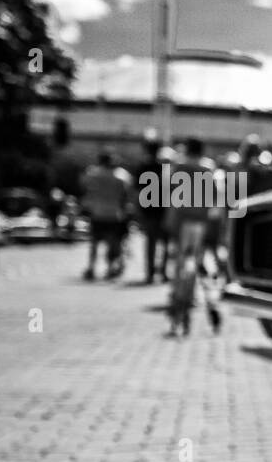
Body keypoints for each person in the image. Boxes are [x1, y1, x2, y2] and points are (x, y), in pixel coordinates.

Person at [165, 138, 223, 335]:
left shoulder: (179, 167)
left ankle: (178, 299)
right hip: (200, 222)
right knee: (194, 262)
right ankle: (187, 298)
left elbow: (170, 197)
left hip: (182, 222)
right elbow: (215, 200)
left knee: (181, 263)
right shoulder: (208, 169)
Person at [80, 151, 131, 281]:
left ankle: (91, 267)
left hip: (97, 211)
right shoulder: (121, 175)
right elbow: (126, 194)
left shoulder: (93, 173)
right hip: (114, 213)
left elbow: (84, 186)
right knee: (112, 242)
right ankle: (109, 268)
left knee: (94, 242)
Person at [134, 137, 170, 283]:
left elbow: (138, 190)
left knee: (151, 242)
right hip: (164, 208)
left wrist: (138, 210)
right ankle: (164, 271)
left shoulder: (143, 166)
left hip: (149, 209)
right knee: (166, 242)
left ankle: (150, 273)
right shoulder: (165, 166)